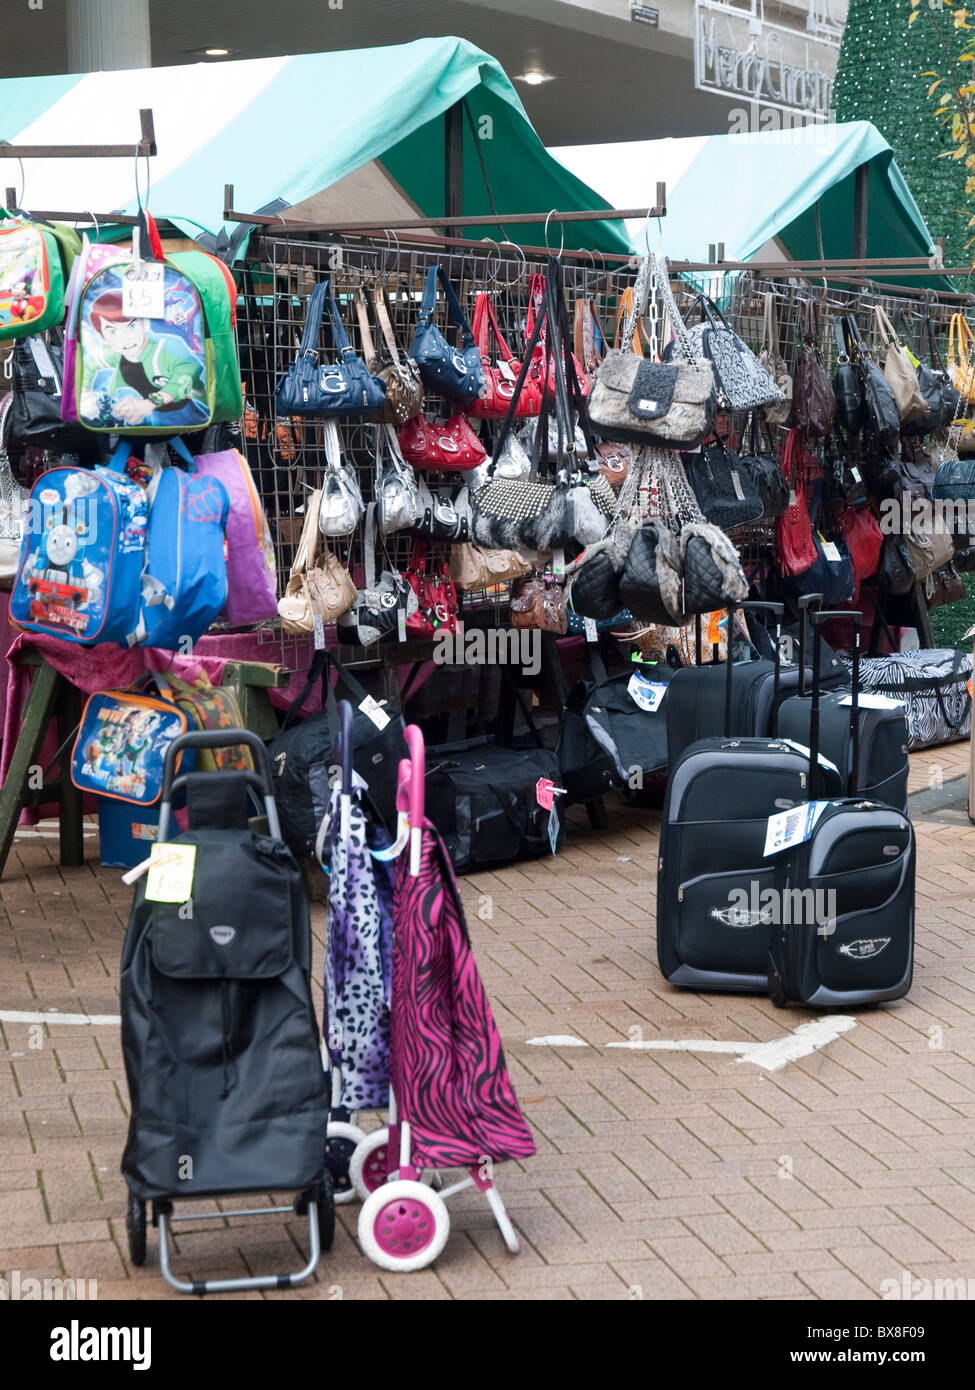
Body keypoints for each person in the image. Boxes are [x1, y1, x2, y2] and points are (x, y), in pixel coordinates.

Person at [81, 290, 208, 428]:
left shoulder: (168, 346)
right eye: (112, 331)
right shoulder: (115, 353)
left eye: (132, 326)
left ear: (145, 324)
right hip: (138, 425)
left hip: (189, 420)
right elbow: (88, 364)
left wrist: (149, 404)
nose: (125, 337)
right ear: (102, 338)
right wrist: (85, 394)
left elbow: (189, 371)